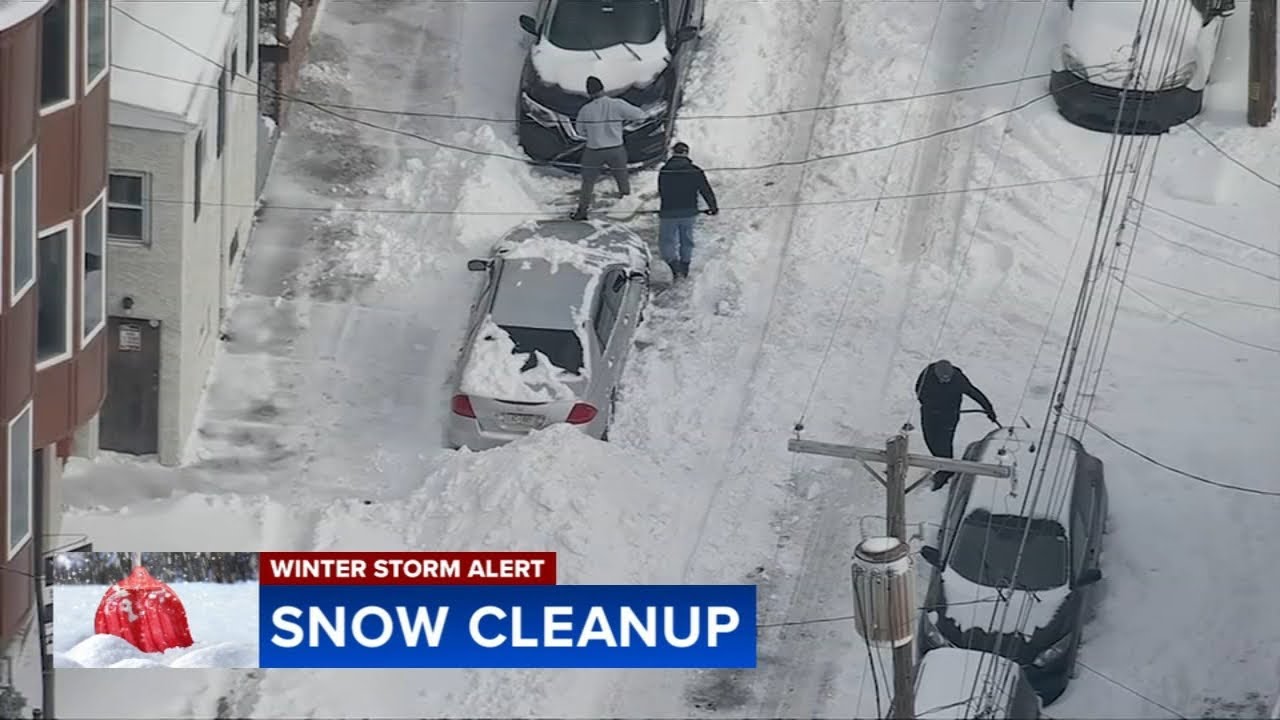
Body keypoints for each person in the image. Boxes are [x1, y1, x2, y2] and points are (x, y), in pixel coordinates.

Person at [570, 76, 648, 221]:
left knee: (588, 182)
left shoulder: (585, 110)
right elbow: (641, 116)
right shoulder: (617, 104)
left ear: (589, 93)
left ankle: (582, 212)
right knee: (622, 179)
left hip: (593, 150)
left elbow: (580, 131)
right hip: (616, 149)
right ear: (603, 89)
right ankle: (625, 209)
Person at [915, 359, 999, 491]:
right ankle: (943, 464)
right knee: (931, 440)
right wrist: (931, 405)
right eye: (942, 379)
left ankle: (946, 469)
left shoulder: (958, 379)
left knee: (944, 442)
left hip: (949, 416)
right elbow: (919, 392)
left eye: (947, 378)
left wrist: (989, 409)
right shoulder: (927, 375)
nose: (945, 381)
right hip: (930, 414)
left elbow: (974, 393)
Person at [657, 141, 719, 279]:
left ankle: (673, 265)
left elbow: (661, 190)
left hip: (668, 212)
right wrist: (713, 206)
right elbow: (705, 190)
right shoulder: (695, 170)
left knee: (667, 241)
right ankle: (685, 266)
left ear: (673, 153)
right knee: (687, 239)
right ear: (686, 153)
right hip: (689, 212)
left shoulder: (664, 170)